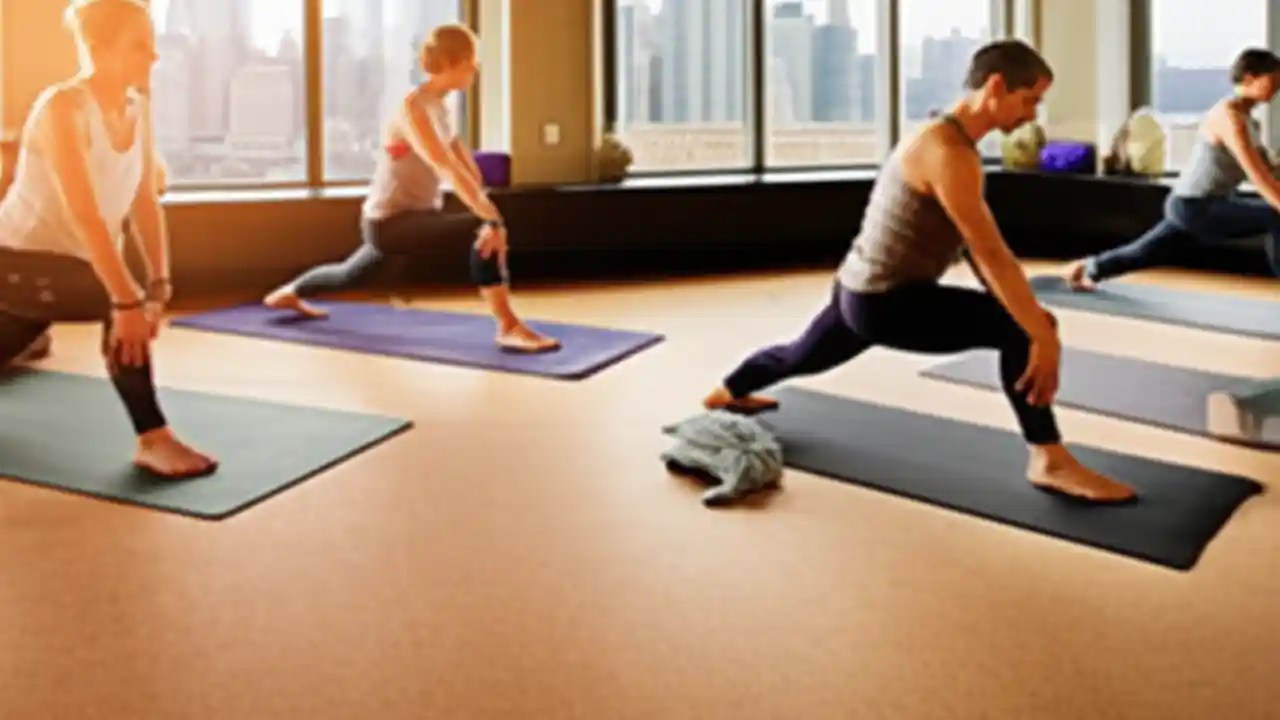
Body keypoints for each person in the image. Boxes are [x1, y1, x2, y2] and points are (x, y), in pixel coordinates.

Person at [702, 40, 1136, 504]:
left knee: (800, 355)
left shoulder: (940, 136)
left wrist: (1023, 313)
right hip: (887, 302)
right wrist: (1041, 333)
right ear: (995, 87)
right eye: (1029, 99)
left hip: (856, 287)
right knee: (1023, 331)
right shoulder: (950, 154)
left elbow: (976, 252)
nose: (1033, 114)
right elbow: (991, 253)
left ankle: (726, 391)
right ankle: (1049, 459)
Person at [0, 0, 217, 478]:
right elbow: (86, 214)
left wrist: (160, 282)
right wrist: (126, 299)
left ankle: (152, 434)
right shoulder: (62, 106)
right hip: (16, 257)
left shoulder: (137, 108)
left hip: (67, 263)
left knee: (16, 334)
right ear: (99, 47)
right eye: (141, 45)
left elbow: (144, 202)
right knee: (113, 306)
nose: (154, 57)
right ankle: (153, 438)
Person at [264, 24, 559, 353]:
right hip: (389, 222)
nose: (475, 69)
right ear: (449, 63)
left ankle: (289, 291)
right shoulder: (413, 109)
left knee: (349, 275)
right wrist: (490, 218)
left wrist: (484, 200)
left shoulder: (442, 107)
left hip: (411, 216)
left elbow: (463, 160)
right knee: (482, 229)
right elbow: (443, 164)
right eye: (470, 62)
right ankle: (508, 326)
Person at [1065, 48, 1280, 289]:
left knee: (1144, 253)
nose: (1277, 87)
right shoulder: (1229, 117)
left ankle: (1088, 268)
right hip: (1198, 206)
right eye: (1273, 80)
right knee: (1275, 216)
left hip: (1199, 203)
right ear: (1249, 78)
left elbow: (1270, 169)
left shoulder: (1250, 122)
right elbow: (1257, 175)